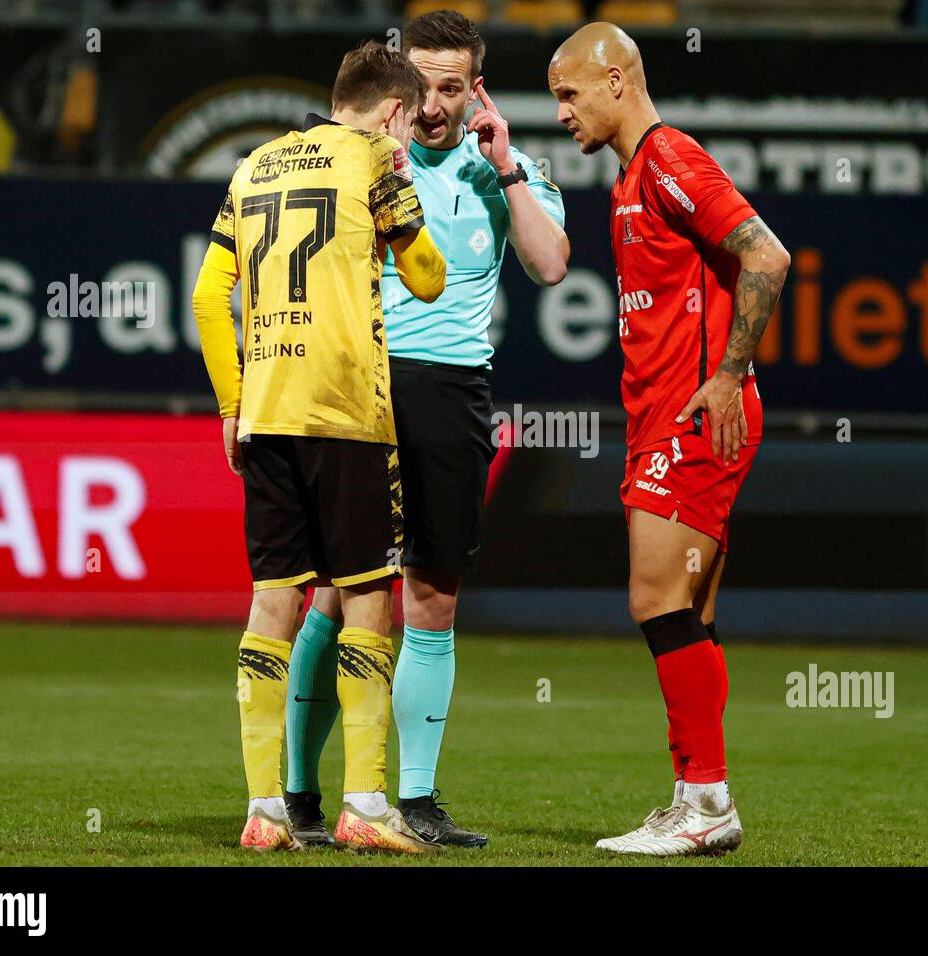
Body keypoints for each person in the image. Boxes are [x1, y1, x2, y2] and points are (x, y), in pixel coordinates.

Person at [283, 9, 569, 849]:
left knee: (433, 597)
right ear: (397, 81)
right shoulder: (355, 160)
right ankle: (302, 794)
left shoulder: (505, 171)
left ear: (476, 88)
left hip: (451, 394)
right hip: (355, 385)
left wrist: (507, 169)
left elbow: (551, 265)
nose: (435, 104)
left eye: (453, 87)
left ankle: (414, 799)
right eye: (422, 84)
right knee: (337, 592)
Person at [191, 41, 446, 854]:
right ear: (394, 110)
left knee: (274, 602)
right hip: (345, 414)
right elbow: (432, 279)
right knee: (369, 600)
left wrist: (233, 404)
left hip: (265, 412)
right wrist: (402, 203)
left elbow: (207, 297)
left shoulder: (254, 163)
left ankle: (265, 811)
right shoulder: (375, 160)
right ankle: (367, 805)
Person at [548, 22, 790, 856]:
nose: (562, 114)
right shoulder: (630, 179)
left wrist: (726, 376)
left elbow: (767, 255)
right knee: (691, 611)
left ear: (617, 80)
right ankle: (696, 795)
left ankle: (708, 803)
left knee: (654, 600)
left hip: (693, 418)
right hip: (663, 419)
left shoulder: (673, 161)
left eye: (569, 93)